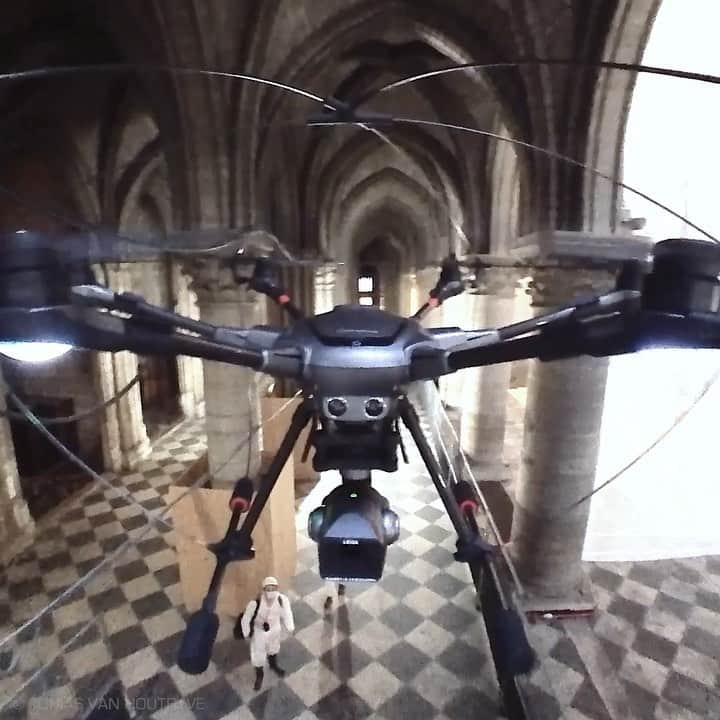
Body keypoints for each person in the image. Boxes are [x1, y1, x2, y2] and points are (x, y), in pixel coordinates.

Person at [240, 576, 295, 691]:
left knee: (273, 649)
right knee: (258, 654)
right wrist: (246, 633)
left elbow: (287, 613)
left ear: (277, 588)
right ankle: (259, 675)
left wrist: (290, 627)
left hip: (275, 629)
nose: (270, 592)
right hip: (259, 632)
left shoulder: (282, 600)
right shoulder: (255, 603)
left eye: (273, 588)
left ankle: (273, 666)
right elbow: (246, 618)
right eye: (268, 589)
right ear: (263, 590)